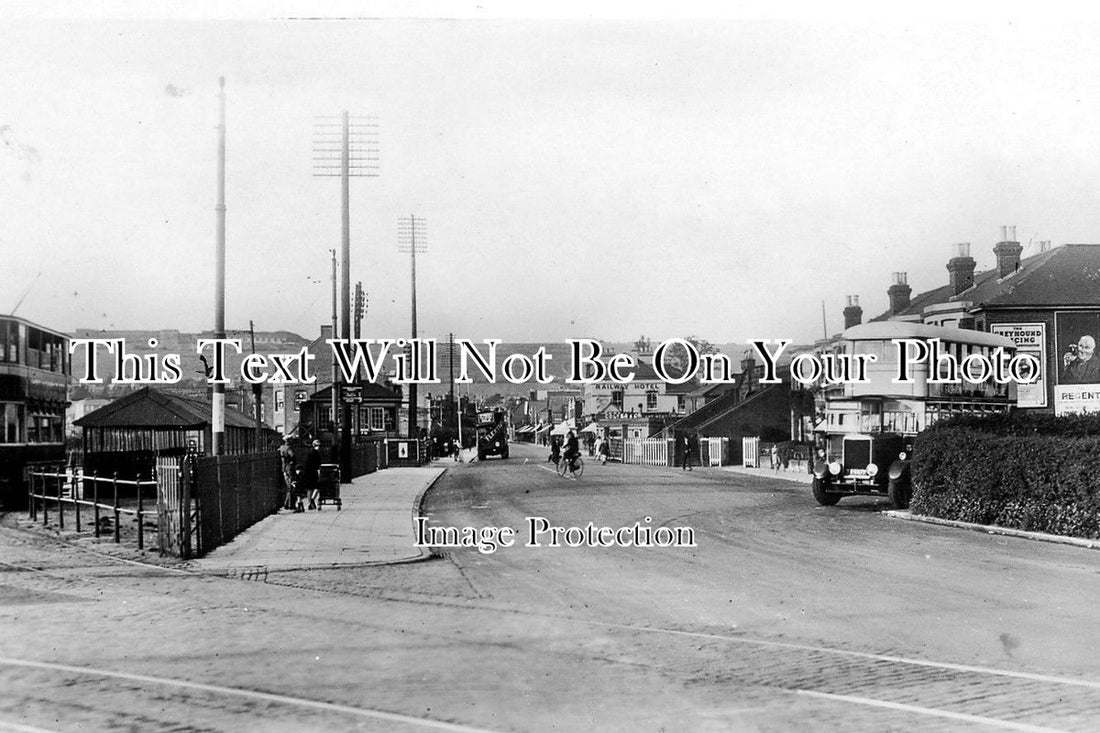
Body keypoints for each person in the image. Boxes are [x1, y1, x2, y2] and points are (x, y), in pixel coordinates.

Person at [300, 439, 323, 511]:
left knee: (310, 488)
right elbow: (318, 464)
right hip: (314, 472)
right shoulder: (317, 454)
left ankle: (310, 503)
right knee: (317, 487)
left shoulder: (310, 453)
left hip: (308, 472)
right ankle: (312, 499)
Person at [277, 436, 297, 511]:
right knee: (291, 486)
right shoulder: (289, 448)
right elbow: (292, 455)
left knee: (288, 486)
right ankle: (288, 504)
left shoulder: (281, 447)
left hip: (284, 469)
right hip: (289, 468)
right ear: (288, 441)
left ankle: (287, 503)